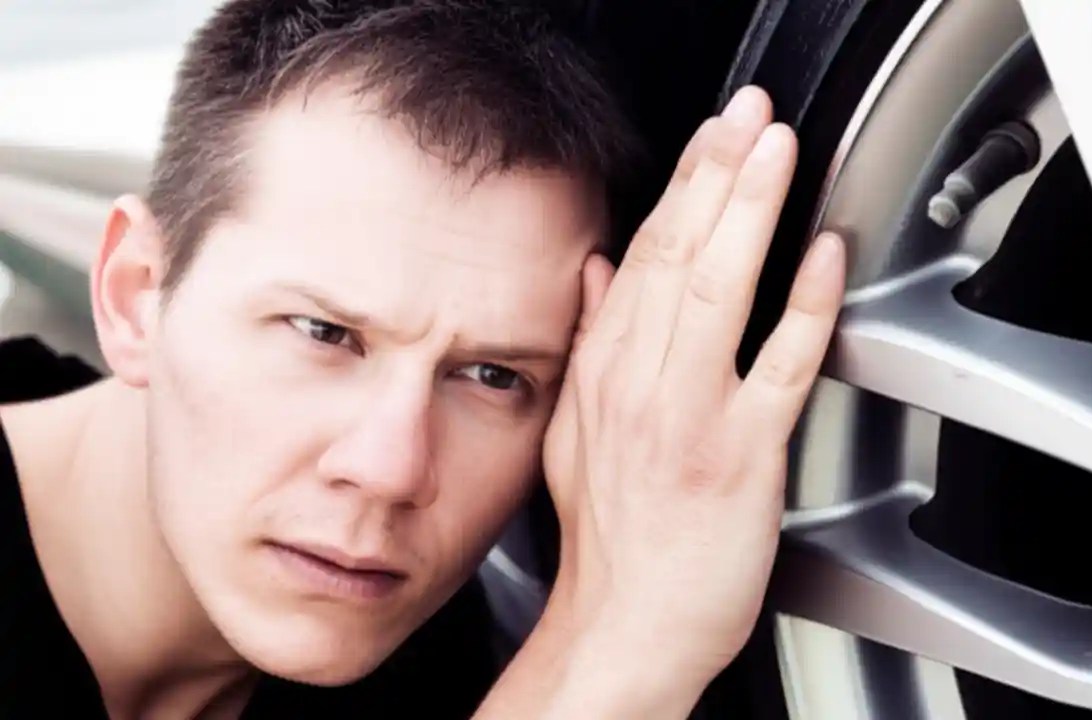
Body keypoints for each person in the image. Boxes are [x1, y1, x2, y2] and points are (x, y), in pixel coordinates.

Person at [0, 0, 846, 718]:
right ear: (133, 293)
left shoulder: (423, 663)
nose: (391, 468)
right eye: (323, 333)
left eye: (492, 376)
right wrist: (623, 646)